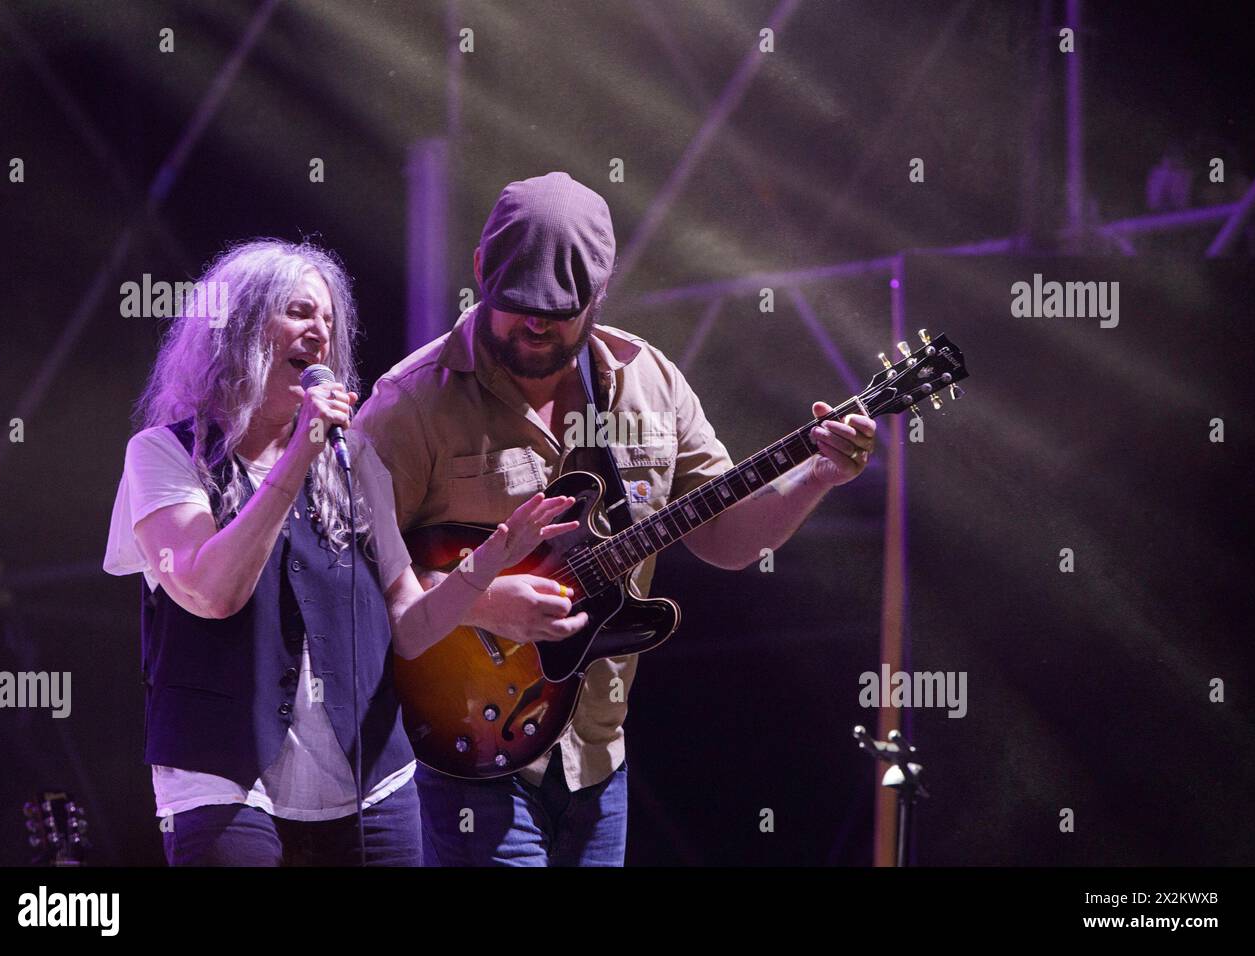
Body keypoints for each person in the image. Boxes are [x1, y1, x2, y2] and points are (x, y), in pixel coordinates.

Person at [355, 172, 876, 866]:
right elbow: (352, 582)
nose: (536, 323)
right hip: (467, 752)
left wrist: (818, 476)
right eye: (517, 303)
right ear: (481, 270)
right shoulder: (407, 405)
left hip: (599, 758)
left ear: (602, 290)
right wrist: (479, 603)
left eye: (560, 308)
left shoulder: (651, 385)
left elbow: (727, 539)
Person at [103, 238, 577, 865]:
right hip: (224, 781)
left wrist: (488, 559)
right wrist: (300, 452)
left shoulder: (354, 464)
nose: (319, 334)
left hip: (367, 782)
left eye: (328, 321)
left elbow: (408, 626)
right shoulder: (166, 455)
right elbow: (212, 591)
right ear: (240, 324)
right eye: (299, 313)